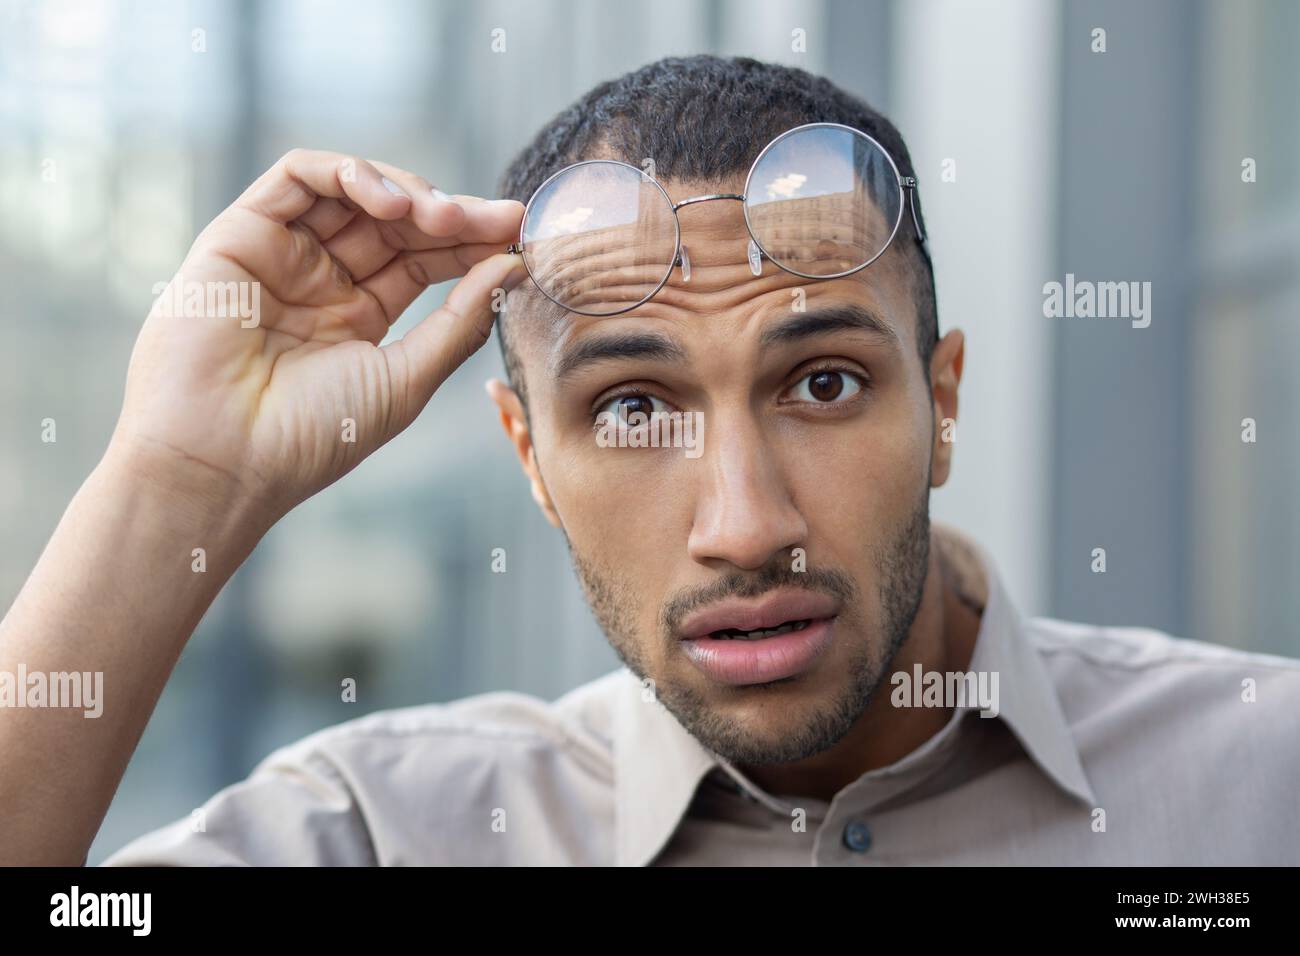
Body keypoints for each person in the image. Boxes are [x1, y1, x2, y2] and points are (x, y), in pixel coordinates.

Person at [1, 55, 1295, 866]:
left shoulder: (1260, 776)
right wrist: (181, 477)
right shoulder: (387, 835)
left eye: (824, 383)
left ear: (943, 404)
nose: (743, 526)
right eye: (631, 412)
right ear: (531, 460)